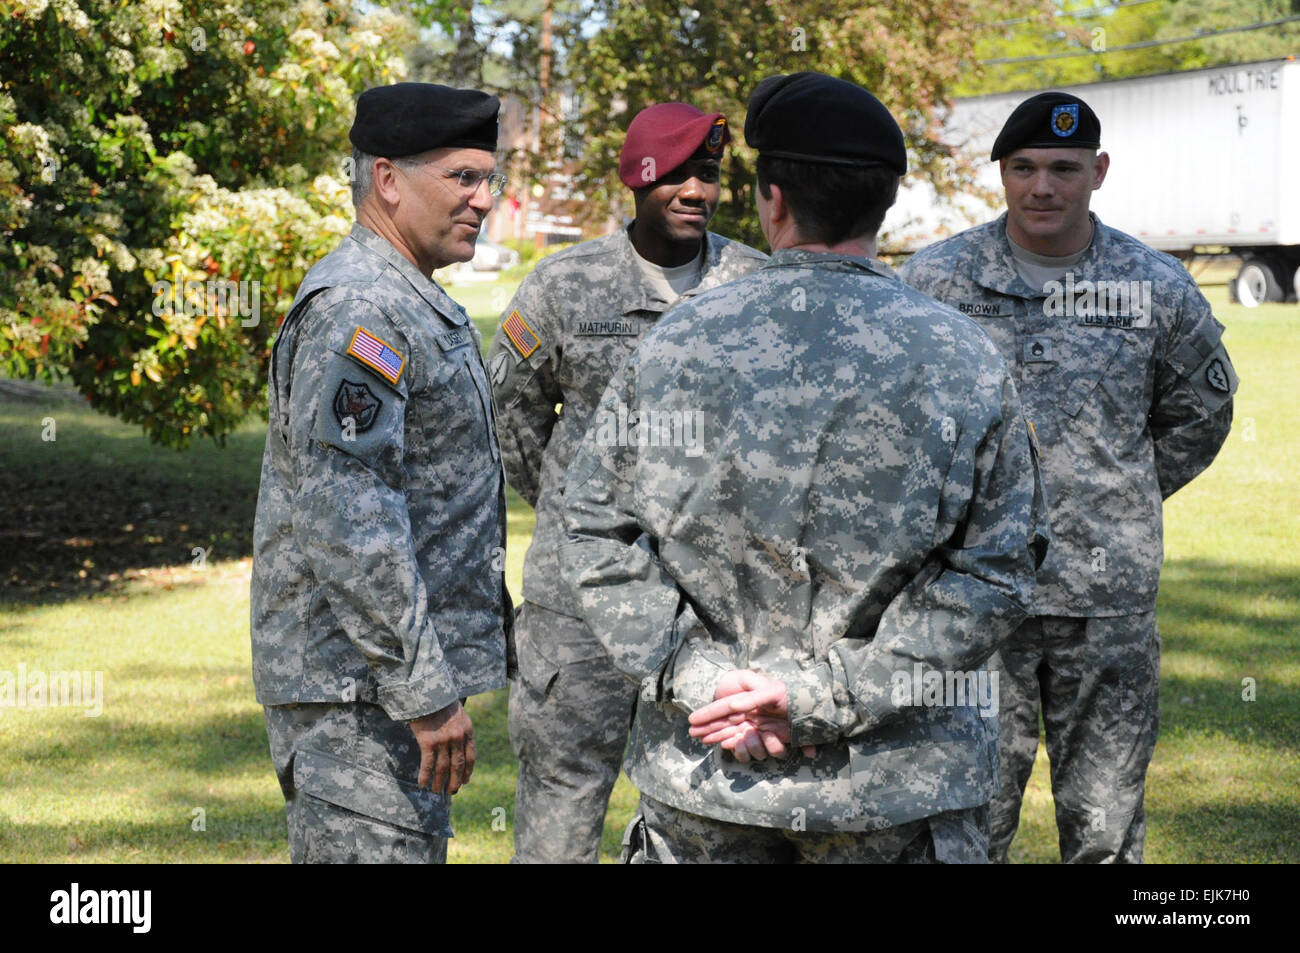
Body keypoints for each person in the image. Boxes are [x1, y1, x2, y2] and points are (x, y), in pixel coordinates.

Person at [556, 71, 1050, 864]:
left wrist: (704, 678)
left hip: (710, 778)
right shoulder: (963, 358)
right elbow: (999, 570)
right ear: (885, 202)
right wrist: (820, 695)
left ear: (773, 200)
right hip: (897, 794)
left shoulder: (672, 346)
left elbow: (590, 530)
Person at [898, 91, 1238, 863]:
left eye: (1062, 168)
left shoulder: (1153, 287)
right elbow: (897, 427)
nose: (1041, 187)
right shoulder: (937, 283)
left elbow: (1200, 415)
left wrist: (1116, 492)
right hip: (972, 601)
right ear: (1002, 174)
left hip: (1105, 601)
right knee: (964, 821)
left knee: (1106, 824)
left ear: (1099, 171)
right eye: (1022, 168)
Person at [488, 102, 766, 863]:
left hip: (710, 609)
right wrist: (576, 512)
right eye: (675, 174)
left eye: (707, 175)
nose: (694, 191)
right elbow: (509, 416)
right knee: (562, 809)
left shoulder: (755, 285)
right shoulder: (565, 286)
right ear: (636, 179)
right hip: (577, 606)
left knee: (709, 812)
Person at [250, 82, 513, 864]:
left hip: (376, 688)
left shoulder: (403, 296)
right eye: (462, 177)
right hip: (358, 694)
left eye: (488, 178)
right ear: (389, 180)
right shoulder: (362, 307)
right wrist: (424, 689)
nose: (484, 198)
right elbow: (348, 516)